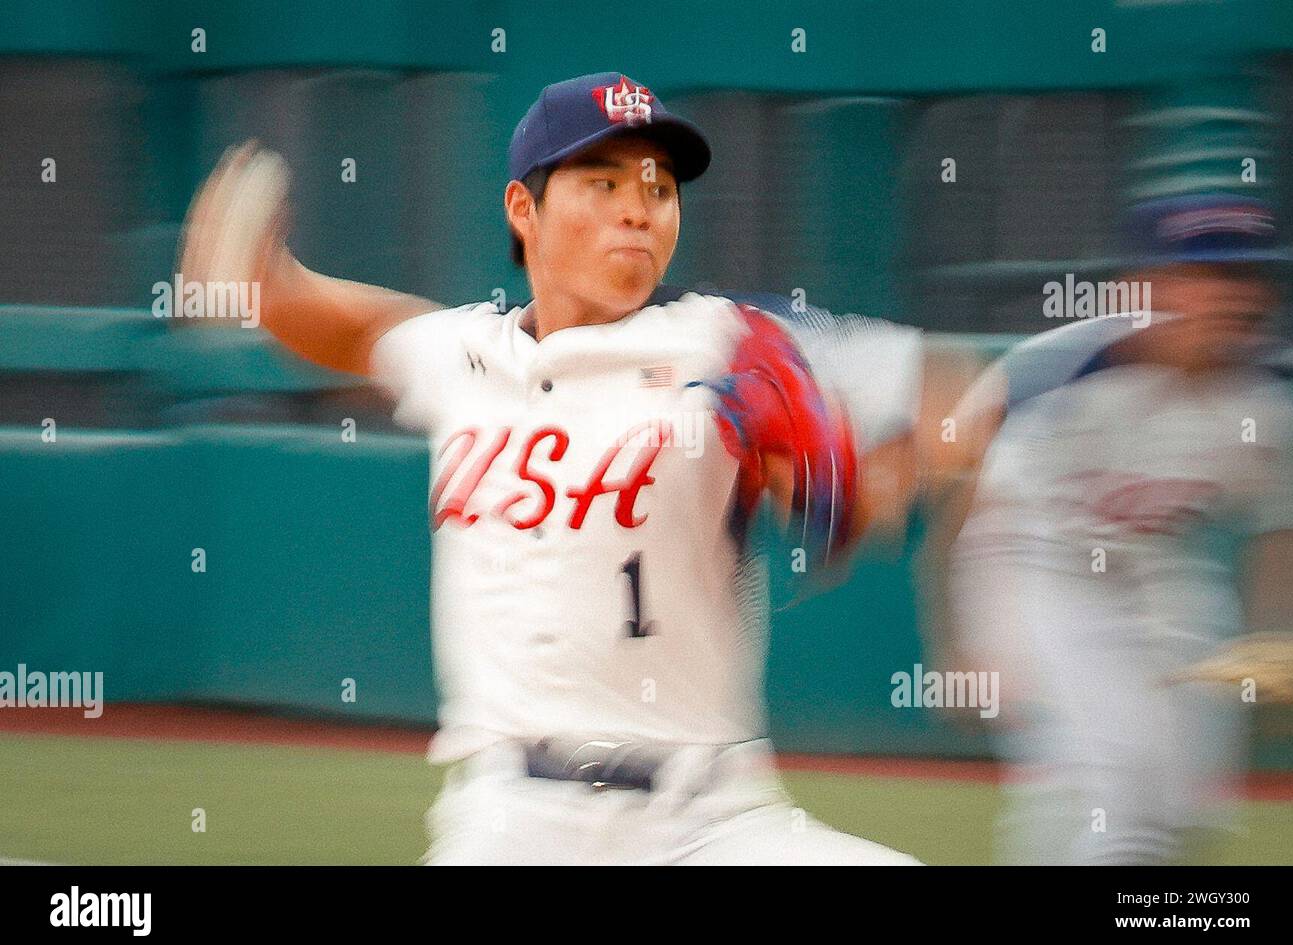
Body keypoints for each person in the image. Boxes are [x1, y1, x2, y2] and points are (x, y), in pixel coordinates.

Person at [179, 71, 925, 865]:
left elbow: (895, 451)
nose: (639, 207)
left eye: (659, 187)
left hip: (710, 819)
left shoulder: (729, 343)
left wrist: (848, 472)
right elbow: (348, 329)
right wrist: (259, 278)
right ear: (522, 210)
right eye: (603, 182)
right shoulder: (462, 353)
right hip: (511, 823)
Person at [930, 194, 1293, 864]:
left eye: (1245, 277)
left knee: (1184, 803)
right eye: (1203, 276)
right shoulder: (1060, 374)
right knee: (1112, 784)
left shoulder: (1263, 400)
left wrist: (1281, 630)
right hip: (1030, 564)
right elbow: (969, 506)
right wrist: (960, 638)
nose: (1230, 297)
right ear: (1141, 287)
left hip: (1160, 573)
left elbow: (1281, 527)